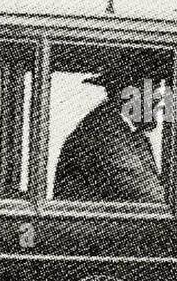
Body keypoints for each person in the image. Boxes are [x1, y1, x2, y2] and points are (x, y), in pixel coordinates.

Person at [53, 72, 167, 203]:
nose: (161, 104)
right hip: (88, 221)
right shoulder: (104, 130)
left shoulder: (132, 132)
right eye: (154, 93)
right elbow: (145, 193)